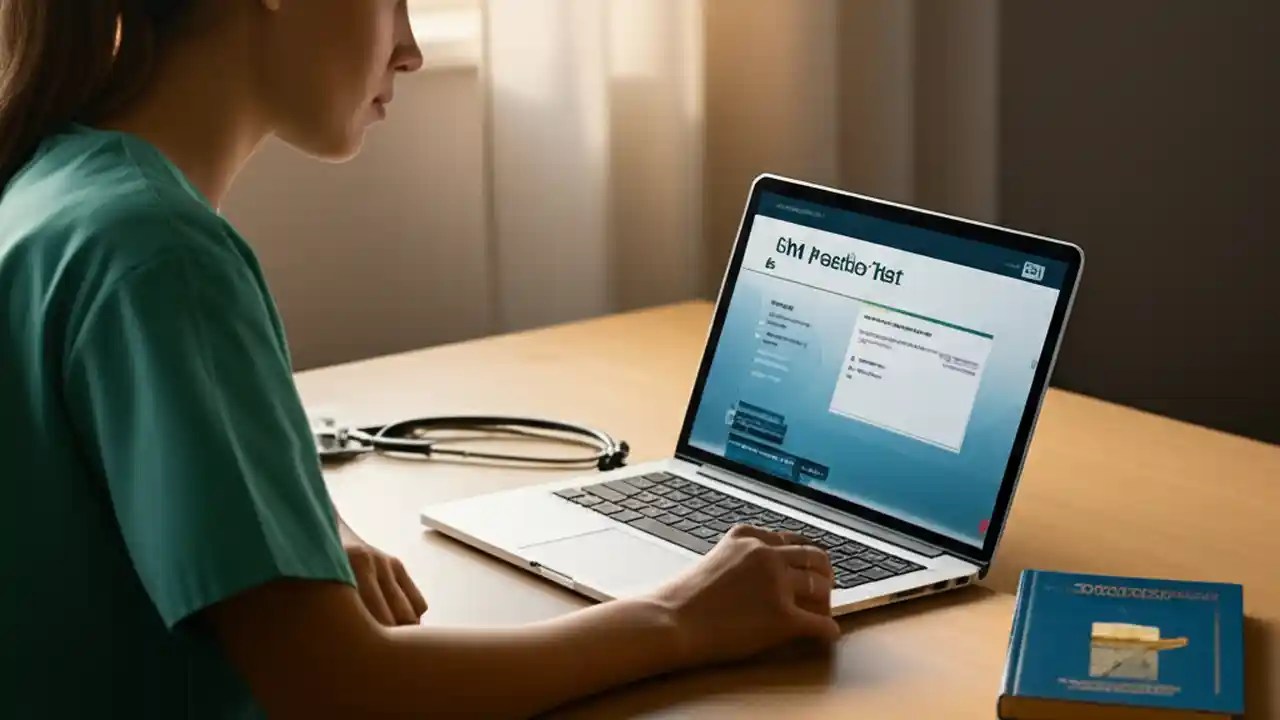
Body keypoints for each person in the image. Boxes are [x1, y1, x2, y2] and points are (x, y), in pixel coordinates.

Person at [0, 1, 840, 717]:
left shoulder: (64, 186)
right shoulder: (164, 255)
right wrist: (678, 617)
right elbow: (343, 692)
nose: (411, 47)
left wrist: (301, 535)